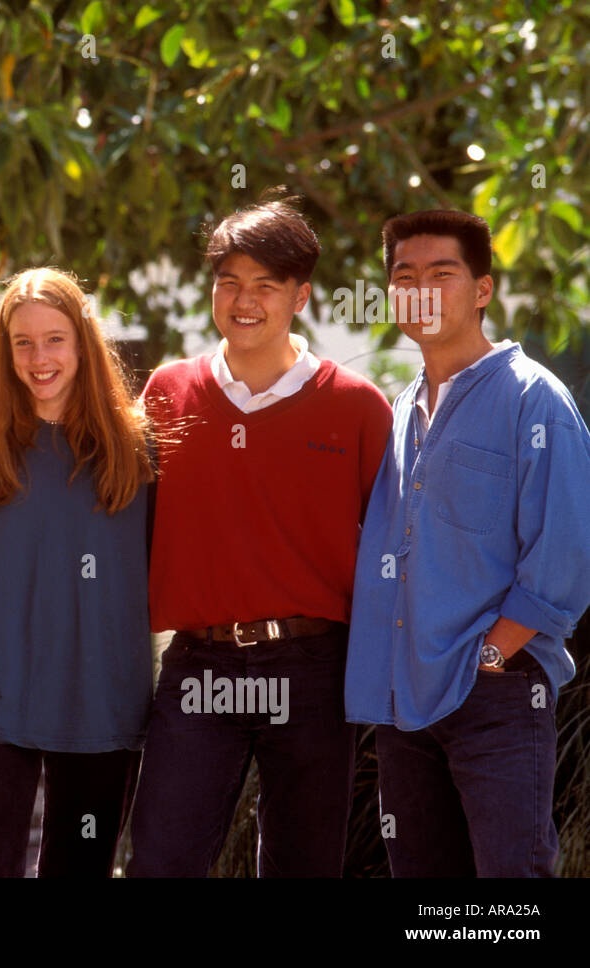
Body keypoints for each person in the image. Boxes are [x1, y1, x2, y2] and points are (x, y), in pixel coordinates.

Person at [126, 194, 394, 877]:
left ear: (299, 296)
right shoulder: (166, 391)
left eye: (265, 287)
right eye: (228, 282)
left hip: (313, 670)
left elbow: (396, 545)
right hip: (197, 667)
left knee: (304, 865)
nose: (243, 301)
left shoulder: (358, 406)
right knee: (161, 859)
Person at [346, 209, 590, 877]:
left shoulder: (535, 400)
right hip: (408, 705)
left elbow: (566, 555)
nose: (421, 288)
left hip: (500, 696)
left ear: (482, 289)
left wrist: (489, 655)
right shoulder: (402, 410)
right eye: (404, 275)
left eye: (441, 273)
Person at [0, 268, 153, 877]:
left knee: (82, 865)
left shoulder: (139, 446)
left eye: (55, 339)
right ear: (5, 349)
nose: (40, 357)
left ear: (83, 343)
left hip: (102, 691)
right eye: (23, 342)